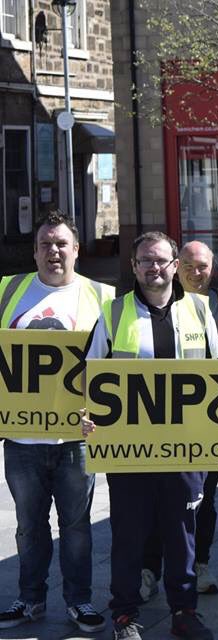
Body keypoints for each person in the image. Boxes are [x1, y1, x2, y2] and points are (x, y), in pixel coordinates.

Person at [83, 231, 218, 640]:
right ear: (134, 267)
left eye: (160, 260)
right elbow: (91, 377)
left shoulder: (199, 310)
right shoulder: (113, 313)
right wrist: (87, 417)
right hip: (128, 449)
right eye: (144, 261)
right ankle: (125, 616)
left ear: (174, 266)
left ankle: (184, 612)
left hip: (184, 449)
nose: (153, 267)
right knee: (128, 534)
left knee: (182, 534)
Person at [0, 211, 114, 634]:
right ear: (34, 251)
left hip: (76, 438)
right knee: (29, 528)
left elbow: (119, 366)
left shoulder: (104, 297)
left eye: (61, 243)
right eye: (45, 243)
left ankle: (78, 601)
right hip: (22, 437)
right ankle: (29, 599)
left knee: (77, 527)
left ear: (77, 249)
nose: (53, 251)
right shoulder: (7, 291)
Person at [140, 241, 218, 600]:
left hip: (207, 422)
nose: (195, 272)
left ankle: (199, 564)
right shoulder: (153, 304)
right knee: (153, 499)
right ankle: (150, 568)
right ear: (174, 265)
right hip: (157, 419)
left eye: (202, 266)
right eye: (187, 264)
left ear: (212, 269)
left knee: (203, 500)